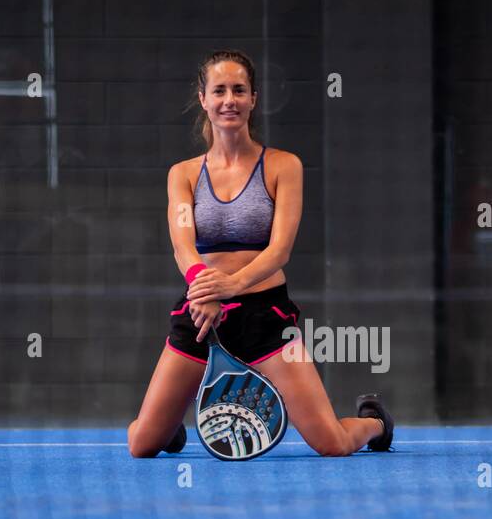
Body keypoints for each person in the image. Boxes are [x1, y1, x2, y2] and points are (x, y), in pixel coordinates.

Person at [126, 50, 394, 459]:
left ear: (254, 98)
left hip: (266, 317)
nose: (229, 99)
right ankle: (166, 429)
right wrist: (207, 292)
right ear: (203, 98)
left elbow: (280, 249)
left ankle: (375, 421)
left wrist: (230, 286)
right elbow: (183, 245)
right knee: (141, 445)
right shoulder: (182, 174)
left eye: (239, 90)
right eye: (219, 90)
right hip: (201, 313)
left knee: (332, 444)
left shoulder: (284, 166)